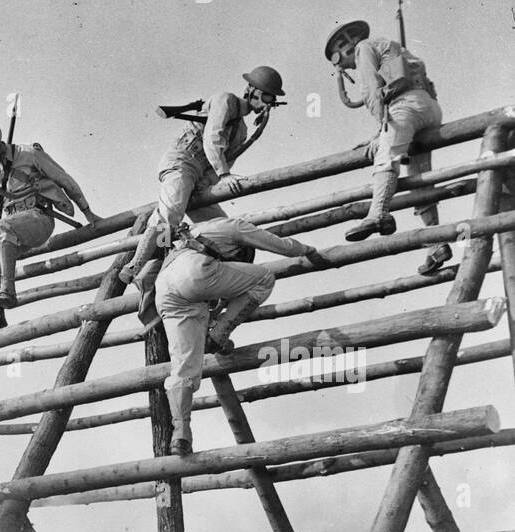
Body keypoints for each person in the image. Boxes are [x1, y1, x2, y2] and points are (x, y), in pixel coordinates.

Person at [153, 218, 332, 455]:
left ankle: (181, 432)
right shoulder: (233, 226)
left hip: (165, 288)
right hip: (193, 273)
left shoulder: (193, 236)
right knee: (264, 279)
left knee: (183, 365)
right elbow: (278, 244)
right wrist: (307, 250)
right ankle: (219, 333)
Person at [120, 66, 286, 285]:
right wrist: (225, 175)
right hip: (181, 164)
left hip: (199, 179)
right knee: (168, 216)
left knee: (225, 230)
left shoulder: (242, 131)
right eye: (265, 95)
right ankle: (136, 266)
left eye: (270, 99)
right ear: (251, 90)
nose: (266, 102)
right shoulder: (225, 100)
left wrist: (209, 184)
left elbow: (225, 159)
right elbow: (212, 138)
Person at [325, 19, 451, 275]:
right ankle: (436, 243)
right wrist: (380, 132)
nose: (338, 65)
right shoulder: (383, 45)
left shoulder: (363, 49)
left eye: (336, 56)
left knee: (386, 157)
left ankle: (378, 213)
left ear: (343, 48)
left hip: (405, 108)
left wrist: (381, 131)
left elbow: (373, 92)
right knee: (419, 179)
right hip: (428, 108)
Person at [0, 126, 101, 335]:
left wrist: (87, 211)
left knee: (2, 227)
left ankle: (8, 291)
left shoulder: (29, 154)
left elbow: (65, 180)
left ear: (0, 150)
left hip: (39, 219)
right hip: (10, 230)